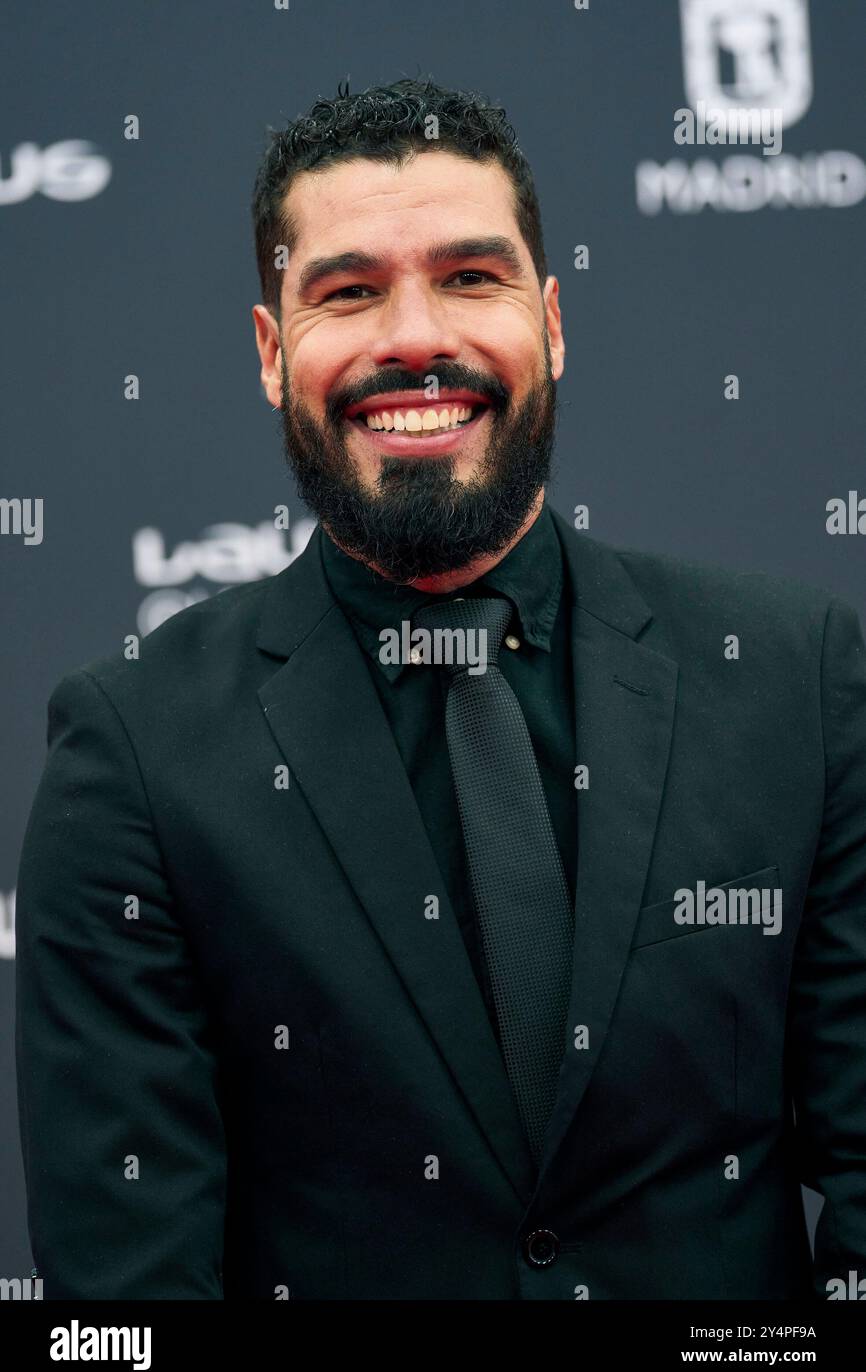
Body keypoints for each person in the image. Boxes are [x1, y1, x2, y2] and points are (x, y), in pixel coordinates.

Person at [15, 77, 866, 1301]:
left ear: (553, 323)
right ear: (270, 353)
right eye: (348, 290)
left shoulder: (794, 679)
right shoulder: (134, 750)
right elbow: (125, 1294)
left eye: (471, 277)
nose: (414, 337)